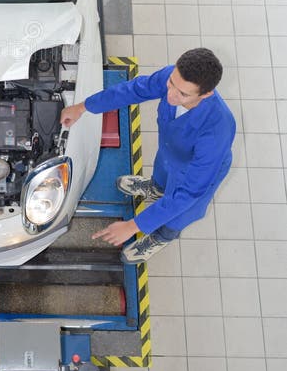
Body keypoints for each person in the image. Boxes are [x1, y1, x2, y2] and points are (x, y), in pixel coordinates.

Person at [60, 48, 236, 264]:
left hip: (197, 171)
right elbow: (133, 90)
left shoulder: (218, 128)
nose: (171, 94)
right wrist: (83, 107)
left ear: (206, 94)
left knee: (179, 213)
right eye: (171, 83)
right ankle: (156, 188)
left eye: (183, 94)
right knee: (161, 174)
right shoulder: (174, 77)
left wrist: (132, 226)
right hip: (171, 151)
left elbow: (189, 192)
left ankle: (160, 237)